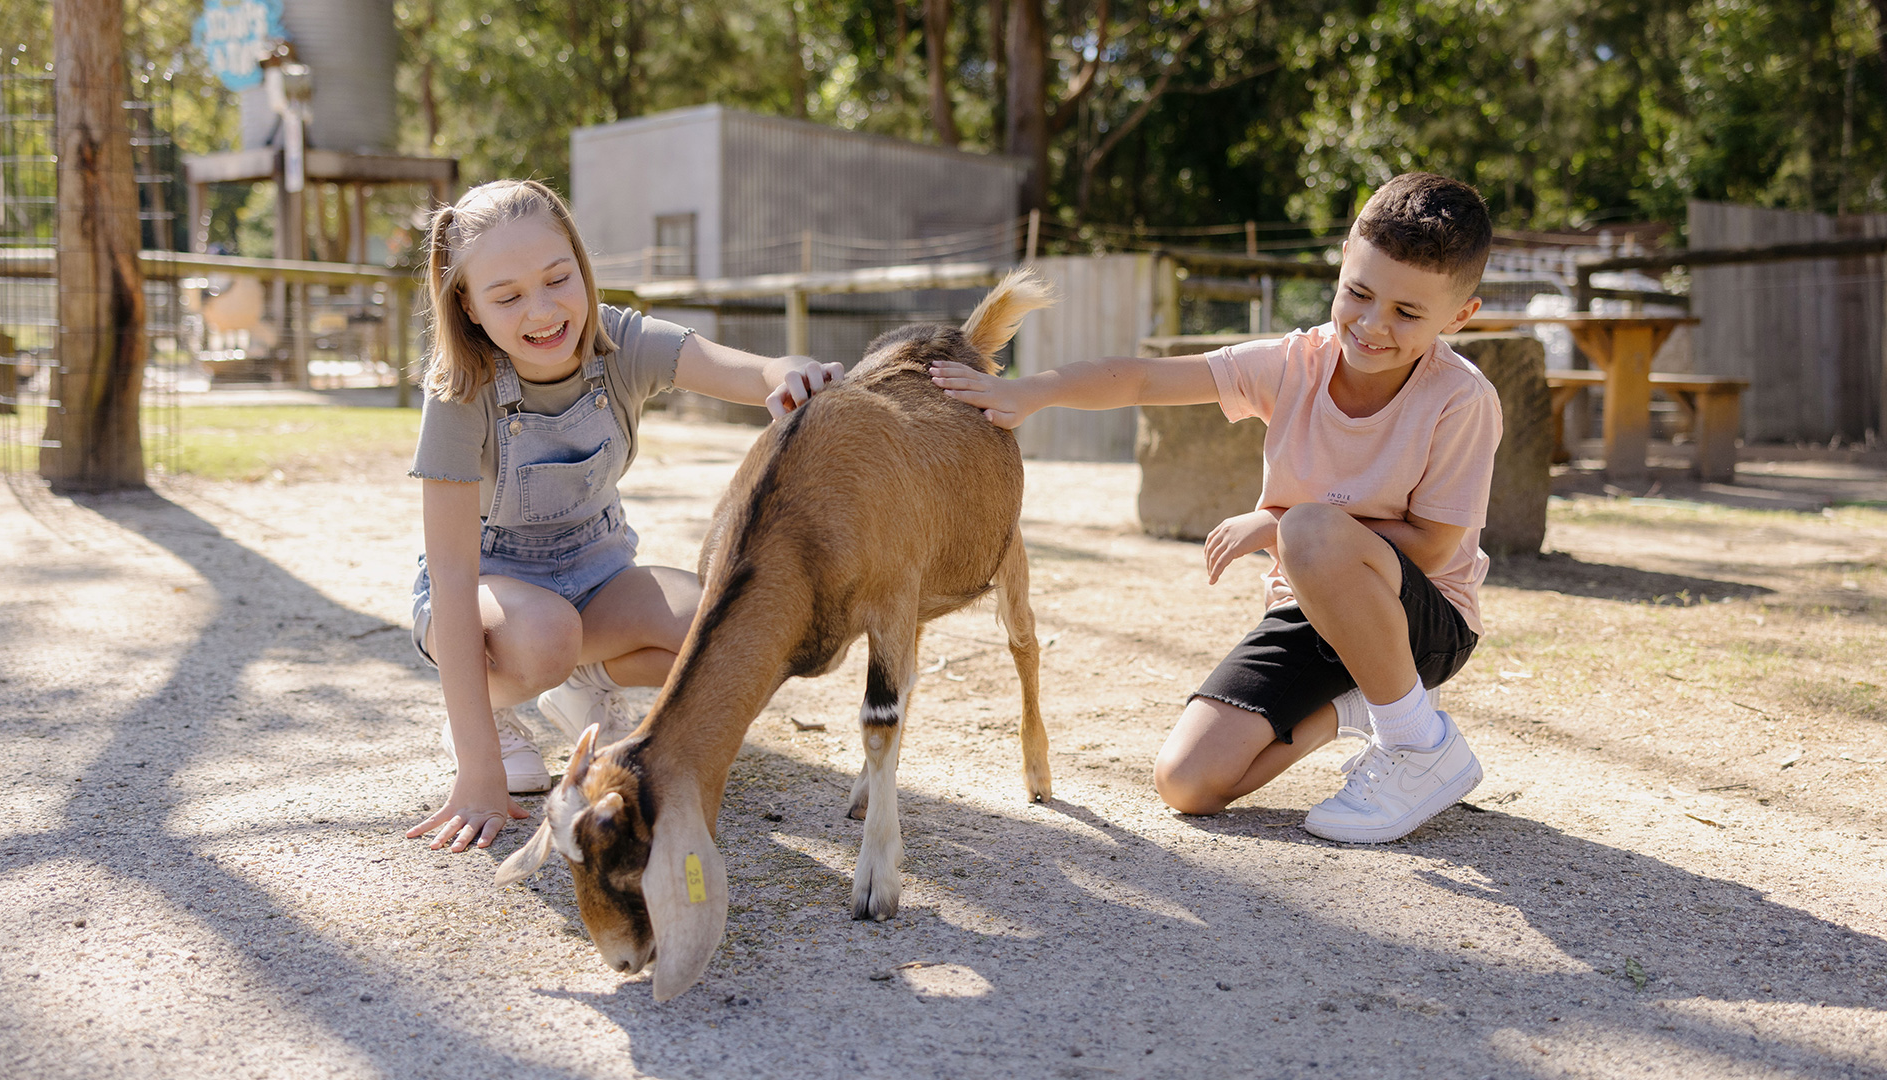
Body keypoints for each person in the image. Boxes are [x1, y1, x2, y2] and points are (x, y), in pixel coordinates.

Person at [930, 172, 1500, 843]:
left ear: (1459, 316)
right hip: (1311, 613)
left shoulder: (1459, 399)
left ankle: (1416, 743)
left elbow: (1434, 548)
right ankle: (1359, 706)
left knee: (1310, 526)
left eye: (1408, 313)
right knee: (1187, 783)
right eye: (1359, 293)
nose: (1373, 325)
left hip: (1422, 623)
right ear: (1342, 263)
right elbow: (1146, 377)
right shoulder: (1295, 363)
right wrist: (1032, 392)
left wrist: (1278, 524)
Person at [404, 179, 842, 854]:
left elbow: (754, 372)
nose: (544, 310)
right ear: (466, 304)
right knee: (547, 637)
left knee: (730, 634)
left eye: (558, 278)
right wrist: (478, 769)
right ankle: (492, 716)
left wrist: (791, 372)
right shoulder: (461, 389)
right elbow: (454, 577)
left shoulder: (622, 341)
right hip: (490, 601)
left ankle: (582, 689)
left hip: (599, 575)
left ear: (581, 263)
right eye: (508, 295)